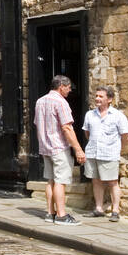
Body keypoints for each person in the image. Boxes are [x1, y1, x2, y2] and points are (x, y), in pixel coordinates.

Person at [33, 74, 85, 225]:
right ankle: (62, 215)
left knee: (51, 180)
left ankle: (50, 213)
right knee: (60, 182)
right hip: (59, 147)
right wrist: (78, 149)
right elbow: (67, 128)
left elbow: (37, 124)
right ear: (61, 86)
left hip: (45, 147)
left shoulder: (40, 101)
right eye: (68, 88)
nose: (69, 91)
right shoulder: (61, 102)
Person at [81, 86, 128, 221]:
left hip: (109, 154)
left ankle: (115, 211)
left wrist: (116, 149)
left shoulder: (118, 116)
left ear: (109, 99)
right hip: (93, 153)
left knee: (112, 182)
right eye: (96, 96)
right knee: (96, 181)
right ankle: (99, 209)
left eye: (101, 96)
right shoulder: (89, 115)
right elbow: (87, 133)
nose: (97, 99)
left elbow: (126, 136)